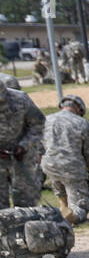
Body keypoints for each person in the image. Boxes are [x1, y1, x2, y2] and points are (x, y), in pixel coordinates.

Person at [0, 80, 45, 208]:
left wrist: (24, 145)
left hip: (22, 156)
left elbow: (38, 124)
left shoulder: (21, 99)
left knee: (26, 201)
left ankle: (26, 225)